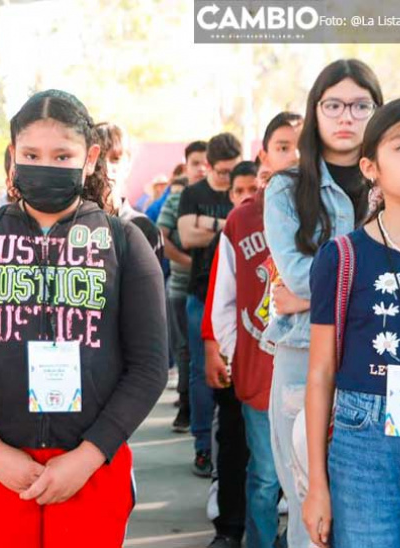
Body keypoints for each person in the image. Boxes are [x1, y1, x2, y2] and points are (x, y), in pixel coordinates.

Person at [0, 89, 168, 548]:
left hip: (92, 467)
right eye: (32, 154)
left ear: (90, 158)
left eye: (62, 155)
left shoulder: (125, 243)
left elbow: (150, 365)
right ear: (13, 156)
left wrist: (90, 455)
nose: (46, 165)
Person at [302, 98, 400, 548]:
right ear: (371, 168)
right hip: (361, 447)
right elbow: (321, 372)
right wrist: (316, 486)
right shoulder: (342, 257)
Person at [262, 58, 383, 548]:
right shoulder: (287, 189)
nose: (346, 117)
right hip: (300, 359)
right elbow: (292, 273)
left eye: (360, 105)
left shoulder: (394, 184)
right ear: (315, 112)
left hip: (377, 357)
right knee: (310, 512)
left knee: (369, 508)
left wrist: (305, 296)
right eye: (333, 104)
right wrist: (362, 284)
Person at [208, 112, 302, 548]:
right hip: (260, 373)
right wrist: (236, 350)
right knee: (264, 477)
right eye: (283, 146)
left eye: (303, 145)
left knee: (310, 479)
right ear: (264, 155)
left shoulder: (336, 214)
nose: (295, 155)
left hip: (316, 374)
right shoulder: (242, 221)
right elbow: (223, 300)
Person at [196, 160, 263, 548]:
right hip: (237, 354)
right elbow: (218, 298)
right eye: (238, 191)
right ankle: (230, 525)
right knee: (234, 440)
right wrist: (212, 345)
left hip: (275, 356)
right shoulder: (236, 229)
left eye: (253, 187)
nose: (246, 197)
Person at [177, 133, 242, 477]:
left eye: (234, 171)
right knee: (203, 372)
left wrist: (210, 226)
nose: (230, 180)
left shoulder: (246, 188)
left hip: (240, 299)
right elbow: (187, 236)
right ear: (208, 167)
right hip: (201, 294)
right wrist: (229, 225)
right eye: (222, 173)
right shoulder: (193, 193)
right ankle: (203, 445)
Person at [159, 142, 208, 434]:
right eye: (195, 163)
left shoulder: (220, 197)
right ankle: (186, 407)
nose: (201, 168)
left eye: (206, 162)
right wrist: (190, 262)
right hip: (180, 286)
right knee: (185, 351)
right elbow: (161, 239)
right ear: (186, 166)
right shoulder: (176, 201)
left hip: (209, 289)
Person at [95, 121, 164, 263]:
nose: (107, 167)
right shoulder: (69, 224)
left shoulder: (143, 229)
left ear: (128, 165)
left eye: (115, 159)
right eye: (100, 158)